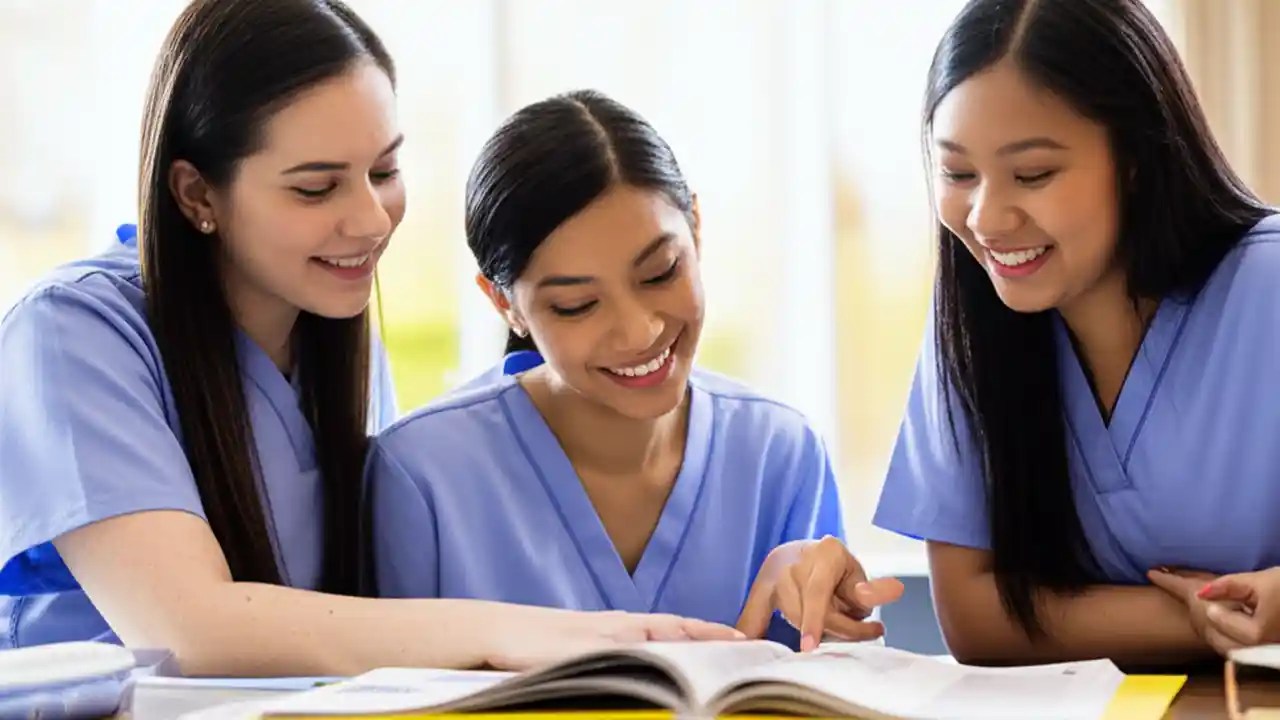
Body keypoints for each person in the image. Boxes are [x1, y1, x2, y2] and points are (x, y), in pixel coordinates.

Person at [0, 0, 739, 676]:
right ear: (198, 195)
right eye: (316, 188)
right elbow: (192, 630)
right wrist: (533, 634)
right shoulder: (74, 333)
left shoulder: (330, 337)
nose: (373, 220)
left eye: (384, 169)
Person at [367, 90, 904, 652]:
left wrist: (831, 620)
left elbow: (828, 691)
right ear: (506, 305)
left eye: (661, 272)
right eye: (577, 306)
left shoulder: (779, 453)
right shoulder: (421, 475)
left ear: (695, 227)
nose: (639, 332)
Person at [872, 0, 1278, 665]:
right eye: (958, 174)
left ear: (1138, 157)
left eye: (1032, 174)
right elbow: (976, 618)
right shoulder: (973, 329)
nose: (987, 219)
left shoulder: (1268, 287)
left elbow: (1013, 612)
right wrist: (1214, 618)